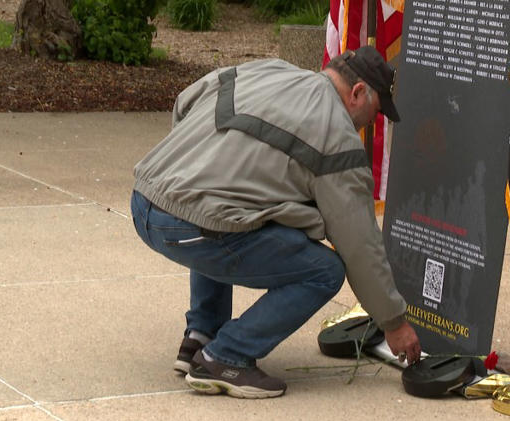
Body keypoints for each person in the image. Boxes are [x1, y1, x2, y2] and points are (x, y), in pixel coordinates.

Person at [130, 46, 421, 399]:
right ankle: (224, 357)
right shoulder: (337, 138)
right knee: (324, 270)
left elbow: (186, 102)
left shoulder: (269, 71)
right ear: (358, 92)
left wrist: (192, 168)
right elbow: (360, 245)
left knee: (225, 204)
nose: (367, 125)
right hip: (186, 228)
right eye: (373, 115)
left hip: (144, 197)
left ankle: (201, 336)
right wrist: (394, 322)